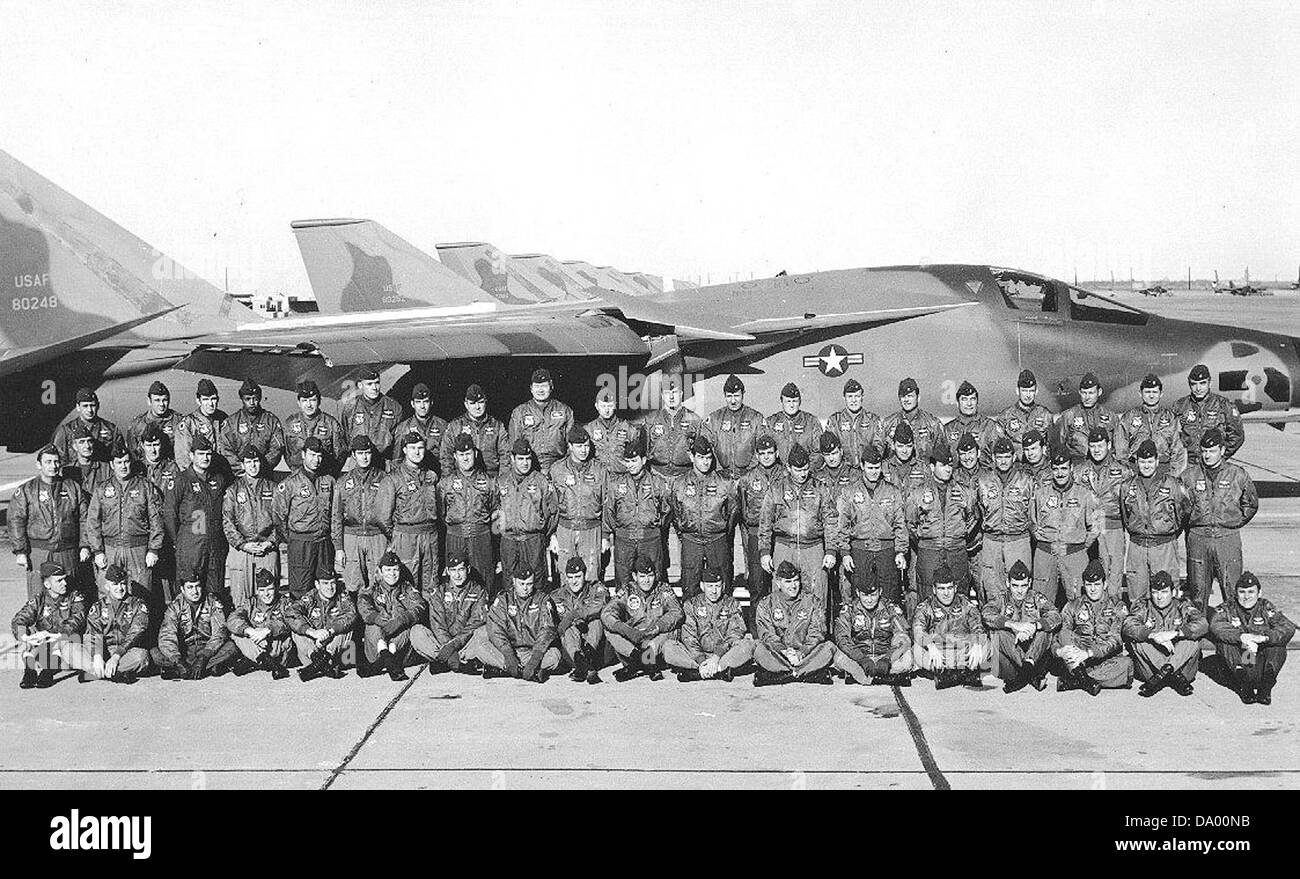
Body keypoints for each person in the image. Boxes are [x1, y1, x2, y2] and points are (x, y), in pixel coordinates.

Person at [1181, 428, 1258, 612]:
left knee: (1232, 592)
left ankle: (1231, 635)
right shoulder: (1188, 476)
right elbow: (1180, 508)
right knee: (1198, 593)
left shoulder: (1237, 474)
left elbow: (1251, 504)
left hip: (1227, 539)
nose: (1207, 455)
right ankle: (1198, 636)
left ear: (1222, 451)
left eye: (1212, 451)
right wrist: (1194, 524)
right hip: (1199, 538)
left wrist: (1232, 523)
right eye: (1205, 451)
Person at [758, 443, 836, 608]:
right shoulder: (776, 489)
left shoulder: (820, 488)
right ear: (788, 467)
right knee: (783, 595)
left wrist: (831, 551)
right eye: (798, 470)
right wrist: (765, 552)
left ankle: (817, 632)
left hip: (813, 548)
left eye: (805, 469)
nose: (803, 474)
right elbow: (765, 522)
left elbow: (830, 520)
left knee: (817, 594)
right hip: (784, 546)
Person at [83, 439, 164, 600]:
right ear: (112, 465)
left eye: (126, 461)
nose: (123, 466)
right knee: (107, 592)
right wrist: (97, 551)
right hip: (110, 548)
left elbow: (156, 519)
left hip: (138, 548)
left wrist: (153, 549)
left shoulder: (144, 487)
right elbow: (92, 522)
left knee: (141, 592)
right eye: (119, 462)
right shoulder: (102, 489)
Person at [10, 444, 88, 600]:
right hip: (39, 551)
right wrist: (20, 551)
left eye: (56, 461)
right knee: (38, 597)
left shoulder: (72, 488)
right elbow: (16, 520)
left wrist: (84, 545)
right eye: (48, 462)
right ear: (39, 465)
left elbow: (84, 518)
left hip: (67, 552)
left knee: (70, 597)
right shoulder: (27, 490)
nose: (53, 466)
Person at [834, 446, 907, 606]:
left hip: (886, 551)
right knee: (860, 597)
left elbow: (900, 523)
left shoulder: (892, 491)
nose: (874, 471)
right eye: (870, 468)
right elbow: (843, 524)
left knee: (890, 597)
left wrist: (900, 551)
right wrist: (845, 552)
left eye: (877, 467)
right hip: (860, 551)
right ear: (862, 466)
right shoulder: (849, 492)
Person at [904, 445, 977, 606]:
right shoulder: (918, 492)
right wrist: (927, 540)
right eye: (943, 465)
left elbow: (973, 519)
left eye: (950, 465)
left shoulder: (964, 491)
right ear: (932, 467)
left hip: (956, 551)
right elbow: (911, 523)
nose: (948, 469)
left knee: (959, 594)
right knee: (927, 595)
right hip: (929, 551)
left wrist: (960, 535)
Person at [667, 434, 737, 598]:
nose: (705, 462)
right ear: (692, 457)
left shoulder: (724, 483)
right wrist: (684, 533)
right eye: (700, 457)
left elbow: (733, 511)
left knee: (723, 585)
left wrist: (722, 531)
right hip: (691, 540)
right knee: (690, 586)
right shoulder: (679, 483)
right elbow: (676, 514)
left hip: (717, 539)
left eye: (708, 457)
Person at [163, 435, 230, 606]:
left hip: (215, 544)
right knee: (190, 589)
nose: (205, 458)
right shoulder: (181, 480)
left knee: (215, 591)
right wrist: (178, 540)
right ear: (192, 456)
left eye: (208, 454)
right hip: (191, 545)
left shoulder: (219, 479)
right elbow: (170, 513)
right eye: (200, 454)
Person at [1210, 572, 1294, 705]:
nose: (1246, 596)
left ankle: (1266, 687)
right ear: (1236, 593)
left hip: (1261, 663)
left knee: (1278, 642)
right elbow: (1216, 625)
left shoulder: (1265, 607)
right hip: (1240, 663)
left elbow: (1288, 627)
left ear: (1259, 593)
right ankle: (1245, 687)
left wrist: (1264, 638)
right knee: (1224, 642)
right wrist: (1241, 637)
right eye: (1242, 592)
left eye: (1251, 592)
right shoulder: (1227, 608)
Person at [1120, 439, 1187, 605]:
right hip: (1138, 547)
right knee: (1137, 594)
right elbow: (1125, 515)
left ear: (1157, 461)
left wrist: (1166, 531)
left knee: (1166, 595)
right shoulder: (1127, 486)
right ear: (1137, 463)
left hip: (1163, 547)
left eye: (1150, 461)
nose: (1146, 466)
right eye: (1143, 462)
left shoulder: (1172, 485)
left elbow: (1183, 513)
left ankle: (1167, 629)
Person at [1030, 449, 1101, 607]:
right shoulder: (1041, 493)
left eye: (1063, 468)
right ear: (1051, 469)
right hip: (1046, 553)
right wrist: (1043, 540)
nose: (1060, 473)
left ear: (1071, 469)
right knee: (1040, 601)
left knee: (1078, 601)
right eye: (1056, 468)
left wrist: (1081, 546)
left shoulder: (1084, 494)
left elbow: (1095, 526)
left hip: (1074, 554)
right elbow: (1032, 521)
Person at [1122, 570, 1208, 698]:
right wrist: (1152, 635)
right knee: (1138, 640)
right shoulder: (1144, 606)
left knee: (1192, 639)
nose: (1159, 597)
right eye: (1155, 592)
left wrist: (1175, 633)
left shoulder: (1182, 605)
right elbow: (1128, 625)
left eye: (1164, 592)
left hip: (1181, 666)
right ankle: (1171, 674)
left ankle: (1166, 671)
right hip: (1151, 670)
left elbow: (1202, 623)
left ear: (1173, 592)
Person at [663, 561, 752, 682]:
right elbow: (689, 636)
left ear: (723, 586)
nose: (714, 591)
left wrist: (716, 657)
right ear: (702, 586)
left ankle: (703, 672)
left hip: (724, 655)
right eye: (710, 586)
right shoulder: (692, 604)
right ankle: (708, 670)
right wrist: (701, 660)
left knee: (748, 645)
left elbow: (735, 633)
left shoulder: (732, 604)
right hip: (697, 655)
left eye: (717, 586)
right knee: (669, 647)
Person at [1054, 560, 1133, 694]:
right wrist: (1059, 651)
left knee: (1126, 665)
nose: (1093, 589)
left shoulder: (1117, 606)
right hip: (1078, 657)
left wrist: (1090, 653)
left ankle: (1077, 680)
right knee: (1065, 634)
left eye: (1097, 584)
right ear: (1084, 585)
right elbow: (1060, 636)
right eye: (1089, 584)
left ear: (1105, 584)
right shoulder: (1073, 606)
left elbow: (1115, 640)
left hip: (1105, 658)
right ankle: (1083, 676)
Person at [376, 431, 441, 594]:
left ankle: (429, 618)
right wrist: (398, 535)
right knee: (408, 582)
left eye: (420, 448)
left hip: (430, 535)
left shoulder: (431, 476)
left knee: (431, 580)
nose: (417, 452)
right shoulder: (393, 479)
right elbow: (382, 517)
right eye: (412, 448)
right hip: (406, 535)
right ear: (404, 450)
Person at [357, 551, 438, 681]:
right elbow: (362, 605)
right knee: (372, 626)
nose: (392, 574)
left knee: (410, 627)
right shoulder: (373, 588)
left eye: (395, 570)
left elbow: (420, 606)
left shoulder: (406, 588)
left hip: (400, 647)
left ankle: (386, 660)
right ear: (380, 571)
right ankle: (385, 655)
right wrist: (377, 618)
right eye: (388, 570)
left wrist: (402, 620)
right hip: (377, 643)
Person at [982, 560, 1060, 692]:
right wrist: (1014, 625)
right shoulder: (1001, 598)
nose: (1019, 591)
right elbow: (986, 613)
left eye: (1023, 586)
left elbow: (1055, 616)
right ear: (1008, 583)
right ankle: (1031, 674)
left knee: (1045, 632)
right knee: (997, 633)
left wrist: (1035, 626)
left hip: (1033, 651)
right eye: (1015, 586)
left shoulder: (1036, 597)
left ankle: (1025, 672)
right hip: (1011, 652)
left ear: (1029, 583)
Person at [601, 555, 683, 681]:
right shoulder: (628, 590)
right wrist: (626, 630)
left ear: (655, 575)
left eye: (650, 576)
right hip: (634, 641)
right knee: (609, 629)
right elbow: (607, 613)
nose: (646, 580)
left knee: (673, 630)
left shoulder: (663, 589)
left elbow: (677, 612)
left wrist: (657, 627)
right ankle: (640, 660)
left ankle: (636, 665)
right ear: (635, 576)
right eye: (642, 576)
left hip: (654, 642)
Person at [752, 560, 834, 686]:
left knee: (828, 647)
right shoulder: (766, 603)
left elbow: (817, 632)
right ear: (778, 583)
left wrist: (802, 652)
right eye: (788, 582)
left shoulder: (812, 601)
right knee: (758, 647)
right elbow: (766, 633)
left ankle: (784, 674)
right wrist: (783, 651)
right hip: (779, 654)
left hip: (805, 654)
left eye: (796, 580)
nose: (793, 586)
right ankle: (805, 673)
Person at [1074, 427, 1133, 601]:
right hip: (1088, 528)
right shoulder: (1078, 472)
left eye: (1100, 445)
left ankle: (1112, 609)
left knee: (1113, 572)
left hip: (1112, 526)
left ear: (1108, 445)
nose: (1097, 450)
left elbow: (1130, 504)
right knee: (1087, 571)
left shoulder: (1123, 471)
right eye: (1093, 446)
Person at [274, 437, 336, 599]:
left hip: (323, 542)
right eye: (312, 455)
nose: (316, 460)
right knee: (301, 590)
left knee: (326, 586)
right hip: (300, 544)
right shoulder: (290, 483)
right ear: (303, 455)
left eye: (319, 456)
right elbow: (278, 516)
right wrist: (292, 539)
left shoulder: (328, 481)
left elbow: (335, 514)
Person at [475, 565, 560, 682]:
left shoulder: (543, 599)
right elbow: (495, 628)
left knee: (555, 656)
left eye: (529, 584)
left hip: (531, 651)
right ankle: (524, 671)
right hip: (508, 651)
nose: (525, 588)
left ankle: (505, 671)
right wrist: (508, 654)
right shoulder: (503, 599)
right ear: (514, 581)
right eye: (522, 584)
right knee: (480, 646)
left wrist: (535, 659)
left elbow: (546, 630)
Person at [151, 570, 241, 680]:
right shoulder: (175, 607)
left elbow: (219, 633)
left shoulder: (212, 602)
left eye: (197, 586)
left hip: (208, 649)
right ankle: (203, 669)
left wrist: (203, 657)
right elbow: (167, 635)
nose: (195, 592)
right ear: (182, 590)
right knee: (154, 652)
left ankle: (182, 670)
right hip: (184, 651)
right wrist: (177, 660)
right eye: (190, 587)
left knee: (231, 647)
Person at [975, 436, 1035, 600]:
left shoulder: (1026, 481)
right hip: (991, 541)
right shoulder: (983, 481)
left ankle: (1021, 623)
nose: (1003, 461)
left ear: (1014, 457)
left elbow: (1034, 513)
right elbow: (978, 511)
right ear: (993, 458)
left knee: (1020, 589)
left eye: (1007, 456)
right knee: (993, 587)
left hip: (1018, 540)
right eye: (999, 457)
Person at [910, 564, 988, 689]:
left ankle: (949, 674)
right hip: (939, 653)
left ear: (955, 588)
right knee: (916, 649)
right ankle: (963, 673)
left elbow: (977, 625)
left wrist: (977, 643)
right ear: (934, 589)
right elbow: (918, 630)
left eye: (949, 588)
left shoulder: (965, 603)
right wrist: (930, 645)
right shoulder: (925, 607)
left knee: (987, 645)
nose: (946, 593)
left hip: (962, 650)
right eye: (941, 589)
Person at [496, 438, 557, 595]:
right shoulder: (502, 481)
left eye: (528, 459)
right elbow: (494, 510)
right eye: (521, 459)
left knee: (537, 582)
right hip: (508, 540)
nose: (525, 463)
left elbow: (552, 512)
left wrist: (542, 532)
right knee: (509, 582)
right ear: (512, 459)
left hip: (533, 540)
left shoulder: (541, 481)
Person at [222, 446, 279, 611]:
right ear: (242, 465)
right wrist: (242, 544)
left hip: (266, 549)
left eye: (256, 461)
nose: (253, 466)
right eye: (249, 462)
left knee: (268, 597)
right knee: (241, 599)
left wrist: (270, 542)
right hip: (242, 550)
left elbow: (281, 520)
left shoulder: (274, 488)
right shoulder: (233, 490)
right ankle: (242, 634)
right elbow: (227, 521)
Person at [12, 561, 86, 689]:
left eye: (64, 579)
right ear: (47, 584)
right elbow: (19, 619)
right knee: (29, 637)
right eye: (59, 581)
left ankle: (48, 672)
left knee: (62, 642)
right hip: (45, 647)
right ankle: (29, 672)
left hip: (67, 647)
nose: (65, 583)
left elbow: (77, 620)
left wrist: (55, 635)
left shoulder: (75, 597)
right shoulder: (39, 599)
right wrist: (25, 637)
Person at [548, 426, 607, 587]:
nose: (584, 450)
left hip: (591, 528)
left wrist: (605, 536)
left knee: (591, 574)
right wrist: (552, 534)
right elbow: (551, 505)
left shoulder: (600, 470)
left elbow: (606, 503)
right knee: (565, 576)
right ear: (570, 447)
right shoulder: (557, 470)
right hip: (565, 529)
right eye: (579, 446)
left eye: (587, 446)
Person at [76, 564, 151, 684]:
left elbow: (136, 632)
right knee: (78, 650)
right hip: (104, 650)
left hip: (126, 651)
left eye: (122, 583)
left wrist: (117, 656)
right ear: (107, 586)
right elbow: (93, 633)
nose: (120, 588)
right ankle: (117, 674)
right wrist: (97, 656)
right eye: (115, 584)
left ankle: (99, 673)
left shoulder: (137, 604)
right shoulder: (98, 607)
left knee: (142, 657)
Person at [331, 436, 387, 597]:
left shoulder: (383, 478)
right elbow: (336, 517)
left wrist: (390, 541)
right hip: (351, 536)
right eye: (360, 453)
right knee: (353, 583)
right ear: (353, 455)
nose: (364, 457)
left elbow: (391, 513)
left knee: (379, 581)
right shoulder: (343, 482)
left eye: (367, 453)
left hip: (377, 536)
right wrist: (339, 548)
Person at [439, 434, 498, 586]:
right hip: (455, 536)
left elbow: (494, 510)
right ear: (455, 456)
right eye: (461, 455)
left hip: (481, 537)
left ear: (475, 454)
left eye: (468, 454)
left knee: (485, 577)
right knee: (455, 578)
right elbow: (441, 512)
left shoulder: (489, 481)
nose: (465, 458)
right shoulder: (446, 483)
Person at [832, 576, 912, 686]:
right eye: (865, 595)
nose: (869, 600)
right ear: (857, 592)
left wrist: (888, 659)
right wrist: (861, 659)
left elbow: (903, 636)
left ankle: (860, 676)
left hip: (884, 656)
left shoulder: (890, 608)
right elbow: (842, 638)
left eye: (873, 595)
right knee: (838, 657)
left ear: (880, 591)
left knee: (908, 658)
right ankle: (885, 678)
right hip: (859, 658)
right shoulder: (849, 609)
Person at [425, 551, 490, 675]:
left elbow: (475, 624)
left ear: (468, 570)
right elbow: (438, 626)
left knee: (484, 631)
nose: (457, 575)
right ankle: (455, 661)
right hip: (443, 642)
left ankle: (444, 660)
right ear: (448, 571)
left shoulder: (478, 591)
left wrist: (454, 645)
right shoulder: (439, 592)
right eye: (453, 570)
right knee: (417, 632)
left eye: (461, 570)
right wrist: (448, 646)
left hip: (466, 644)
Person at [735, 434, 784, 601]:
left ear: (777, 453)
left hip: (780, 535)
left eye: (770, 452)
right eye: (762, 453)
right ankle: (756, 626)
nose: (766, 457)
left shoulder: (786, 475)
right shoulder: (747, 479)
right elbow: (742, 510)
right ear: (757, 455)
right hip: (756, 533)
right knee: (757, 583)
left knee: (780, 581)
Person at [287, 571, 357, 681]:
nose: (330, 587)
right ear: (317, 584)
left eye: (332, 583)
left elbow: (351, 613)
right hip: (312, 648)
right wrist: (311, 632)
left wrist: (330, 631)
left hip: (333, 649)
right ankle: (319, 661)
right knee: (296, 628)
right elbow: (291, 613)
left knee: (347, 627)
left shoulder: (342, 596)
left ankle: (321, 662)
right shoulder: (310, 597)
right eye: (325, 583)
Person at [1114, 373, 1187, 477]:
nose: (1151, 396)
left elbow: (1178, 449)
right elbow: (1120, 448)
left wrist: (1173, 475)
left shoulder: (1170, 417)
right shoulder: (1129, 417)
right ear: (1140, 393)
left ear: (1161, 393)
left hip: (1163, 469)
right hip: (1136, 469)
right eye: (1147, 392)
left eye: (1155, 392)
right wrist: (1127, 472)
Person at [226, 568, 293, 679]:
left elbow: (292, 619)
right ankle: (266, 661)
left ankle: (256, 662)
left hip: (277, 647)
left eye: (270, 589)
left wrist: (267, 631)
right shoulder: (251, 602)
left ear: (276, 588)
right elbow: (233, 618)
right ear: (257, 590)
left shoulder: (285, 602)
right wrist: (250, 631)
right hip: (257, 643)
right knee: (236, 634)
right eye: (262, 590)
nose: (266, 594)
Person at [552, 556, 609, 684]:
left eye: (578, 577)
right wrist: (572, 621)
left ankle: (584, 663)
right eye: (570, 577)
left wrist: (575, 614)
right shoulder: (558, 595)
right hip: (571, 644)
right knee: (568, 629)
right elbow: (559, 623)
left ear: (585, 575)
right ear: (566, 577)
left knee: (596, 621)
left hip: (595, 644)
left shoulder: (595, 588)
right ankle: (582, 662)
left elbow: (601, 605)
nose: (574, 582)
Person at [1173, 363, 1244, 460]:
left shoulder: (1223, 405)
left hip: (1213, 464)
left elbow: (1237, 436)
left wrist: (1220, 456)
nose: (1198, 388)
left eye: (1203, 383)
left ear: (1210, 383)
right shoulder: (1180, 406)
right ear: (1189, 384)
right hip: (1189, 464)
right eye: (1194, 384)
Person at [508, 368, 573, 471]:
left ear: (551, 387)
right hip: (529, 466)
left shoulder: (564, 411)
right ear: (531, 388)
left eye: (544, 386)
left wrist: (565, 468)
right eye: (537, 386)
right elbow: (513, 445)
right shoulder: (520, 412)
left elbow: (571, 445)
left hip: (558, 465)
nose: (540, 390)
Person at [218, 379, 285, 477]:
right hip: (238, 476)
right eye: (248, 399)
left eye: (255, 398)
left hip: (264, 475)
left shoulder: (271, 421)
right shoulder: (231, 422)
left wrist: (259, 466)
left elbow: (277, 448)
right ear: (242, 399)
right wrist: (241, 467)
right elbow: (225, 448)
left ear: (260, 398)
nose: (252, 402)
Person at [440, 384, 510, 477]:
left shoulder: (497, 426)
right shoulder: (455, 426)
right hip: (463, 479)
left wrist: (503, 480)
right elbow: (446, 456)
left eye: (480, 402)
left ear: (485, 402)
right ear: (466, 404)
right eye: (472, 403)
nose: (477, 407)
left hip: (491, 477)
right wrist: (450, 480)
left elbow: (505, 456)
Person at [641, 373, 702, 478]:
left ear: (681, 394)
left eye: (675, 392)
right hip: (657, 475)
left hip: (685, 476)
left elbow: (700, 451)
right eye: (667, 393)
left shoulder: (694, 420)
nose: (671, 397)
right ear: (662, 396)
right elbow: (643, 452)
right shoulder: (650, 420)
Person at [704, 374, 765, 478]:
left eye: (736, 396)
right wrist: (718, 471)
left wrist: (749, 472)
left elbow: (762, 447)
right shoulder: (715, 418)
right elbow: (706, 445)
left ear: (743, 394)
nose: (733, 401)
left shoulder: (755, 418)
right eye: (729, 396)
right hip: (721, 477)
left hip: (749, 475)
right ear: (724, 395)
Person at [340, 365, 403, 463]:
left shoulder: (393, 407)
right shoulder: (351, 407)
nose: (374, 388)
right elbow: (346, 435)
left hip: (384, 461)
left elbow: (399, 440)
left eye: (377, 383)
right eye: (369, 384)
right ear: (360, 385)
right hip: (358, 460)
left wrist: (395, 464)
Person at [284, 380, 347, 477]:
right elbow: (287, 454)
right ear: (298, 403)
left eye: (312, 400)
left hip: (324, 477)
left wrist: (329, 476)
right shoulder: (290, 423)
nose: (309, 405)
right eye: (304, 401)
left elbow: (340, 454)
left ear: (319, 401)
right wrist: (296, 474)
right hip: (299, 478)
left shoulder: (331, 423)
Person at [994, 369, 1055, 461]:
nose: (1028, 395)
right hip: (1016, 467)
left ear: (1036, 391)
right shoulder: (1005, 416)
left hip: (1039, 467)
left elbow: (1052, 445)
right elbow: (998, 446)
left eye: (1031, 391)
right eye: (1024, 391)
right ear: (1017, 391)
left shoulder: (1045, 415)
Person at [1055, 372, 1117, 461]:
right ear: (1079, 392)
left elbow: (1119, 448)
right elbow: (1058, 446)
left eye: (1091, 393)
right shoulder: (1068, 416)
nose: (1087, 397)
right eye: (1084, 393)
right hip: (1078, 464)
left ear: (1099, 392)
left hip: (1105, 465)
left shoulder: (1111, 417)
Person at [51, 386, 120, 466]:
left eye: (92, 405)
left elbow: (120, 458)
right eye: (85, 406)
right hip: (75, 475)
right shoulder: (66, 431)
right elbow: (57, 459)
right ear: (78, 407)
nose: (89, 410)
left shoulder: (110, 428)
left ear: (98, 406)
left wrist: (110, 443)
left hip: (103, 475)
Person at [763, 382, 824, 470]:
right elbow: (765, 452)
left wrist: (802, 470)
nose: (791, 405)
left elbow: (819, 452)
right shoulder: (771, 422)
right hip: (779, 474)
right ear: (781, 401)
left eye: (794, 401)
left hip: (804, 473)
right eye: (788, 401)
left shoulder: (811, 421)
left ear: (800, 402)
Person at [824, 378, 885, 468]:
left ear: (862, 397)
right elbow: (830, 450)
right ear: (844, 398)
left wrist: (868, 464)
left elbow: (879, 446)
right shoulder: (835, 420)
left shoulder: (873, 420)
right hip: (844, 471)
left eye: (857, 396)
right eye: (850, 396)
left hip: (867, 470)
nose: (854, 400)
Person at [880, 377, 943, 461]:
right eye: (903, 396)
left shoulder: (933, 424)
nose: (906, 400)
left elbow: (942, 456)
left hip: (924, 472)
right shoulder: (887, 423)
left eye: (910, 396)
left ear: (918, 397)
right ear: (899, 398)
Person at [393, 383, 448, 474]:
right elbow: (397, 459)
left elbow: (447, 457)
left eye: (425, 401)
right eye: (418, 402)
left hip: (438, 473)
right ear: (412, 404)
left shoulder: (442, 425)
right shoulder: (404, 428)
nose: (422, 406)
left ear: (431, 402)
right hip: (412, 476)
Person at [174, 379, 227, 473]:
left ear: (218, 399)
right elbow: (183, 458)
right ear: (198, 401)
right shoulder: (188, 423)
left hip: (221, 473)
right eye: (205, 399)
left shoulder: (223, 418)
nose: (210, 404)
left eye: (213, 399)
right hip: (199, 476)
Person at [943, 381, 998, 466]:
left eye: (972, 399)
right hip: (956, 477)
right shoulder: (948, 429)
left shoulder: (989, 426)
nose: (969, 404)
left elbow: (1000, 457)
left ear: (977, 402)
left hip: (983, 476)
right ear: (957, 403)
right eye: (964, 399)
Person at [126, 380, 181, 460]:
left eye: (164, 400)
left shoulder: (179, 421)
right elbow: (133, 453)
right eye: (157, 400)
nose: (161, 404)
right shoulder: (137, 425)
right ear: (149, 401)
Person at [586, 388, 631, 475]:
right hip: (598, 478)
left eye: (610, 406)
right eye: (603, 406)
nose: (606, 410)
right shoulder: (589, 429)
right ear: (596, 406)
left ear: (615, 405)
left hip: (621, 478)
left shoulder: (627, 428)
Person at [62, 421, 111, 497]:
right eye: (82, 442)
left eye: (89, 441)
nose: (87, 446)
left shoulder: (106, 469)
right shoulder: (68, 470)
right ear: (75, 446)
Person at [882, 422, 927, 492]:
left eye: (909, 446)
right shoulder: (883, 467)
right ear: (893, 445)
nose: (904, 451)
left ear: (914, 446)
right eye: (900, 446)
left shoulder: (923, 468)